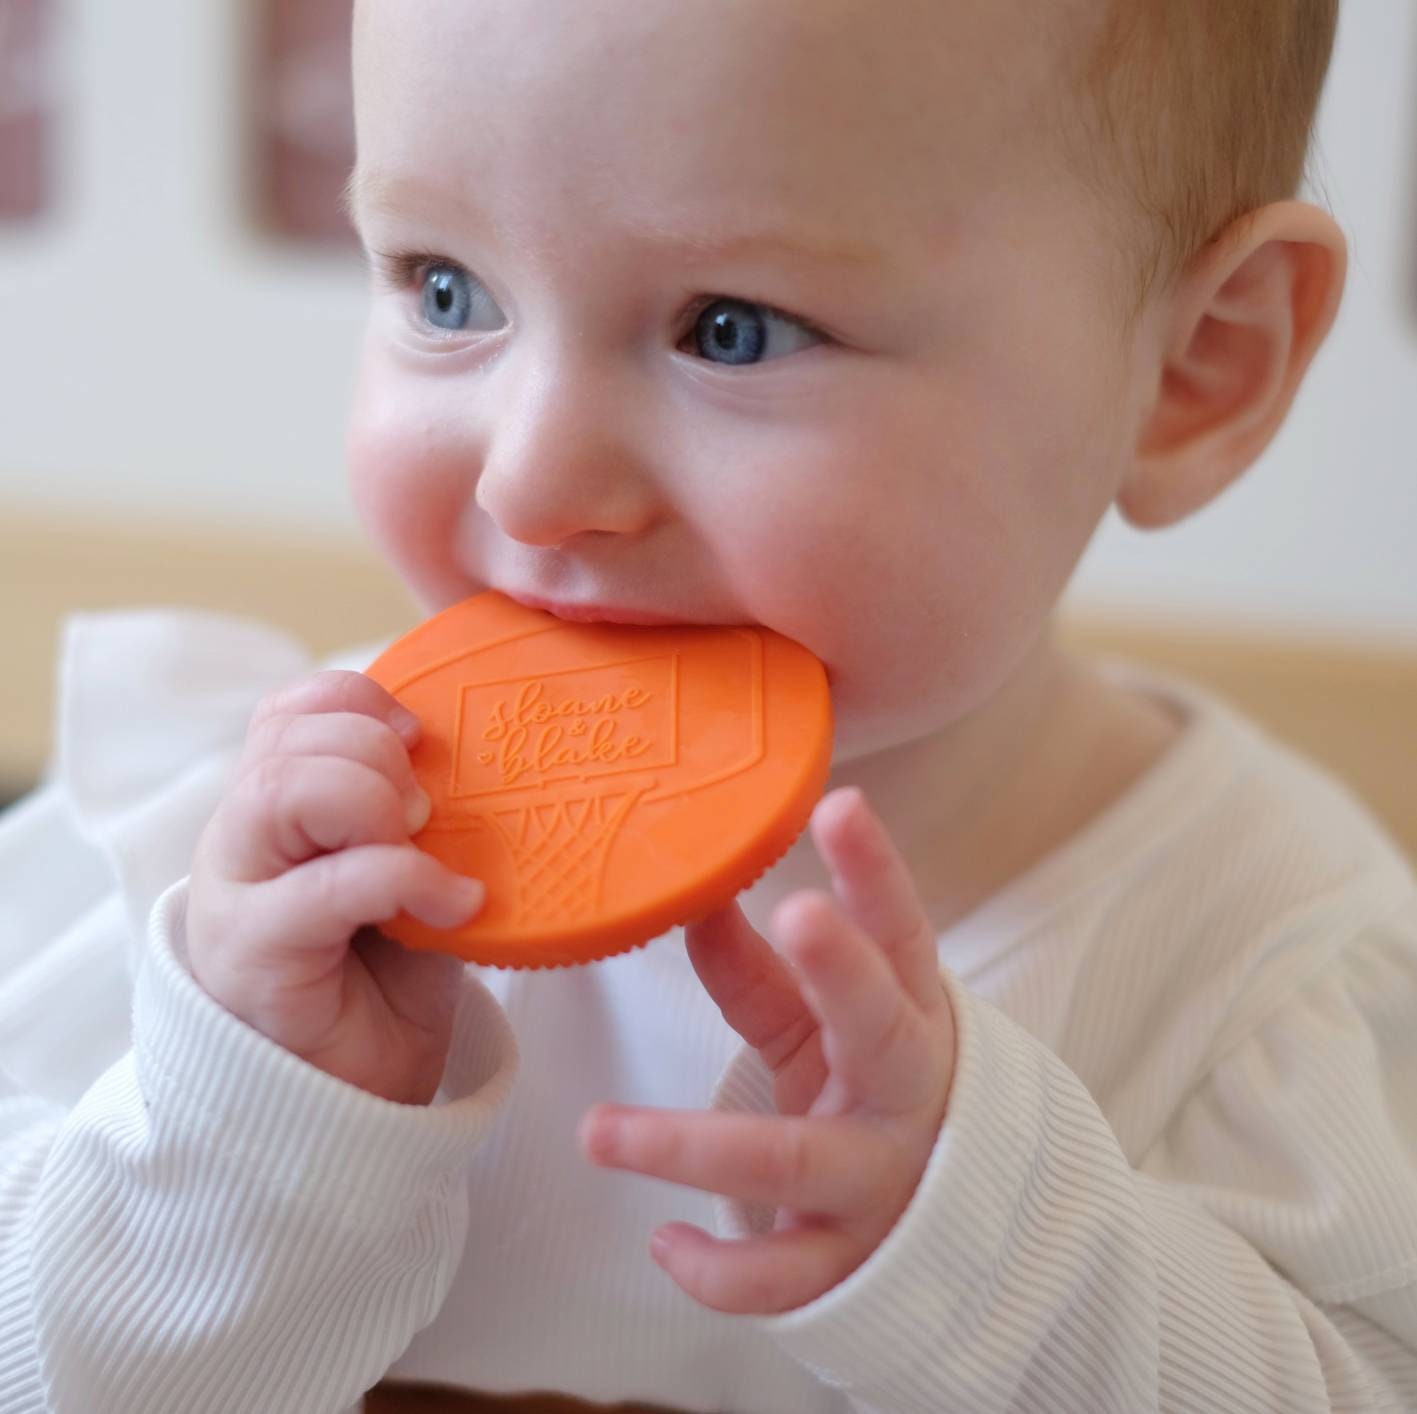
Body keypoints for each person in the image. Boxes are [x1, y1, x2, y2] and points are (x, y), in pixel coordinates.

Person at [1, 0, 1414, 1409]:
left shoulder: (1258, 970)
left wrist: (1008, 1256)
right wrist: (241, 1127)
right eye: (446, 291)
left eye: (731, 332)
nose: (531, 482)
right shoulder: (253, 859)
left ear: (1193, 364)